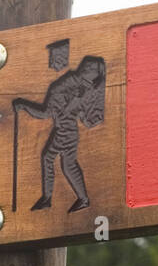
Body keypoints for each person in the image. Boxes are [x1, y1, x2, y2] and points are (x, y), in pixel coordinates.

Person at [13, 55, 106, 211]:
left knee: (62, 163)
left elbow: (45, 113)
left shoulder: (78, 90)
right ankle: (57, 198)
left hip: (66, 131)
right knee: (58, 161)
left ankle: (72, 199)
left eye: (93, 69)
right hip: (65, 130)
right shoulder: (72, 86)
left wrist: (24, 105)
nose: (88, 70)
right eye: (88, 67)